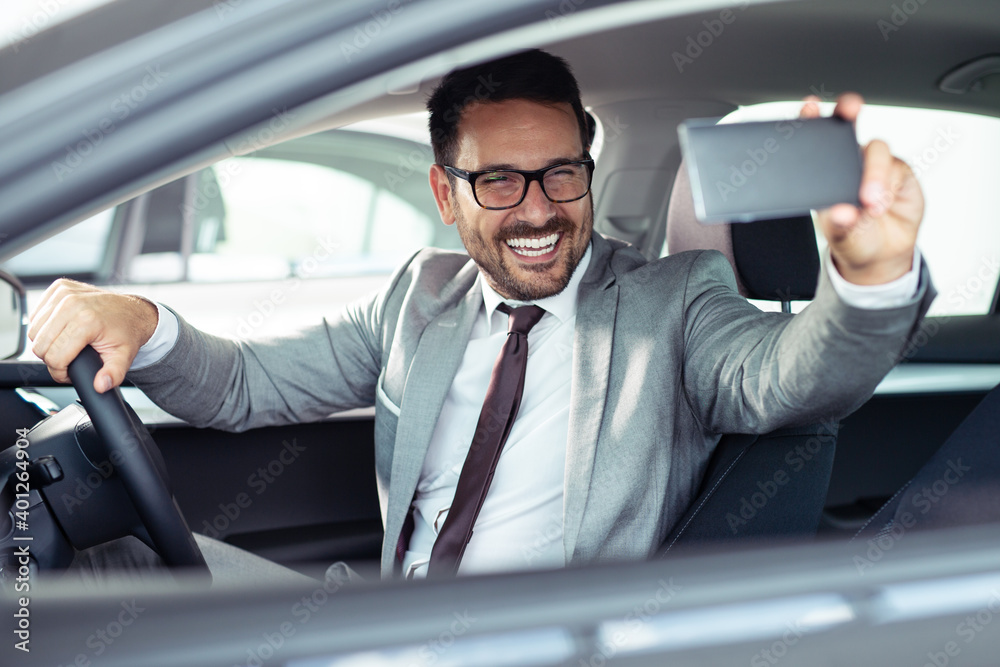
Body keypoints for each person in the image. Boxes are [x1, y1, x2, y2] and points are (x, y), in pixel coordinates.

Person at [28, 50, 934, 581]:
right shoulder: (417, 296)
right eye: (498, 179)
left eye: (561, 173)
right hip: (386, 625)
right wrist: (142, 320)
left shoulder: (676, 299)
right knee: (94, 566)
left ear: (587, 171)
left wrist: (867, 277)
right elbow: (243, 383)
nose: (537, 209)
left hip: (536, 642)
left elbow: (788, 379)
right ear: (444, 193)